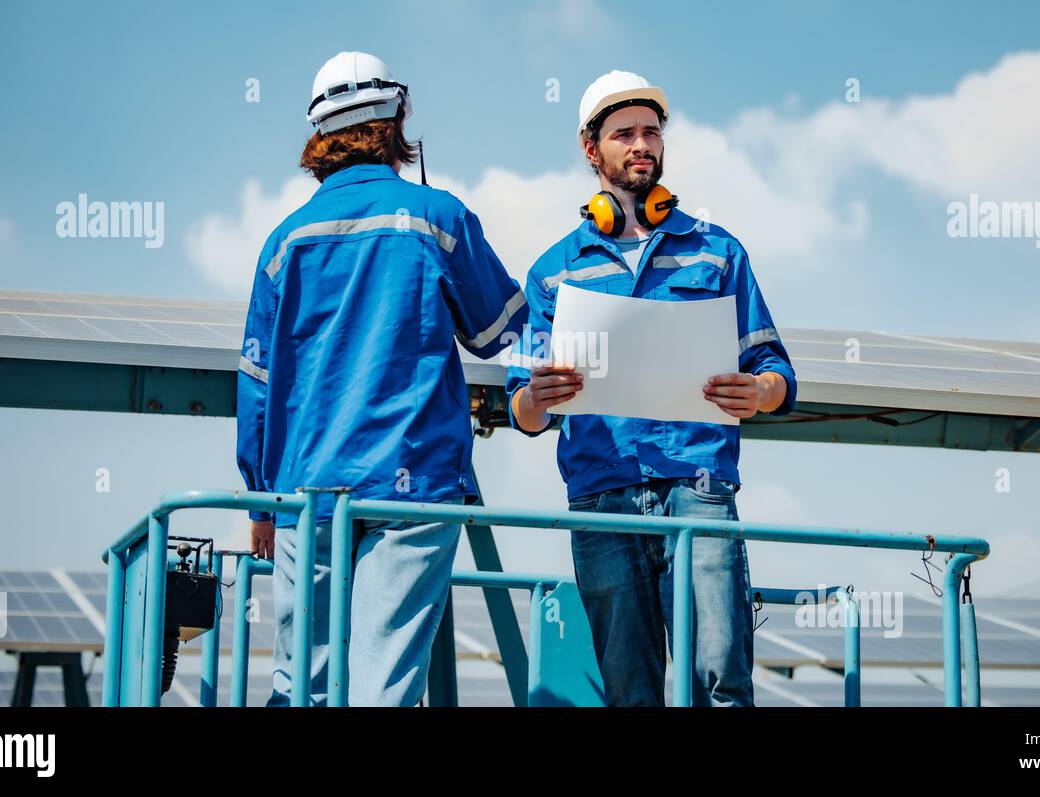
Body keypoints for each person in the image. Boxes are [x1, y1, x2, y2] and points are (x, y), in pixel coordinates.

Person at [236, 51, 528, 706]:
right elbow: (502, 331)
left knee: (298, 683)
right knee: (383, 684)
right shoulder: (437, 216)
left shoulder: (283, 241)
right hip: (411, 487)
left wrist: (261, 501)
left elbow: (255, 381)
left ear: (320, 134)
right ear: (395, 119)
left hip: (303, 495)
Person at [505, 70, 797, 706]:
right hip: (602, 498)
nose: (642, 144)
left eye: (652, 132)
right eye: (625, 133)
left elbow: (774, 366)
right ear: (592, 151)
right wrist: (537, 398)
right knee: (630, 694)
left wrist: (763, 392)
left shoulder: (718, 252)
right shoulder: (554, 272)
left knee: (720, 682)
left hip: (700, 491)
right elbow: (521, 410)